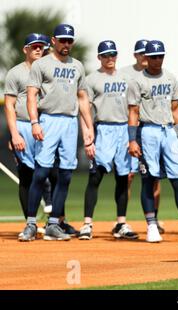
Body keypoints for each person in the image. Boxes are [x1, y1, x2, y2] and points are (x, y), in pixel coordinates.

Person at [19, 24, 95, 241]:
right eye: (62, 40)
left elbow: (82, 98)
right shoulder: (41, 64)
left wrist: (88, 129)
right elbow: (32, 95)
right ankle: (31, 224)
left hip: (70, 123)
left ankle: (53, 225)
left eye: (70, 40)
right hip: (48, 120)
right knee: (41, 172)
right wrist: (34, 122)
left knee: (66, 174)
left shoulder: (77, 66)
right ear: (53, 41)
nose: (66, 44)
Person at [127, 40, 178, 243]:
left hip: (168, 130)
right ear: (146, 58)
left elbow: (176, 109)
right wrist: (132, 140)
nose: (157, 60)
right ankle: (151, 225)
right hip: (147, 130)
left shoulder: (169, 77)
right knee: (150, 179)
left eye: (160, 56)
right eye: (153, 56)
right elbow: (133, 112)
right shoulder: (137, 80)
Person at [78, 40, 138, 240]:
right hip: (103, 128)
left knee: (123, 177)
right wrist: (88, 135)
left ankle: (121, 223)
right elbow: (84, 108)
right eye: (105, 55)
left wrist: (132, 138)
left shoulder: (126, 78)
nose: (109, 58)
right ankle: (87, 224)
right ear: (99, 57)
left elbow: (132, 109)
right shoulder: (92, 79)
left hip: (123, 129)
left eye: (112, 54)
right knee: (95, 176)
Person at [4, 34, 50, 232]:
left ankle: (56, 221)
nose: (38, 50)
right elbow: (9, 106)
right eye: (34, 46)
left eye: (41, 46)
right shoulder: (16, 73)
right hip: (23, 127)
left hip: (48, 126)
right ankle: (30, 222)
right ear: (26, 49)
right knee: (26, 176)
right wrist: (14, 135)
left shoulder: (52, 72)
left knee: (52, 173)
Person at [120, 39, 164, 234]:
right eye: (140, 54)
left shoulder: (159, 75)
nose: (145, 57)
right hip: (130, 128)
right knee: (128, 176)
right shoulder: (126, 75)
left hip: (150, 129)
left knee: (154, 177)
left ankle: (154, 218)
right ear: (137, 55)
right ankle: (122, 220)